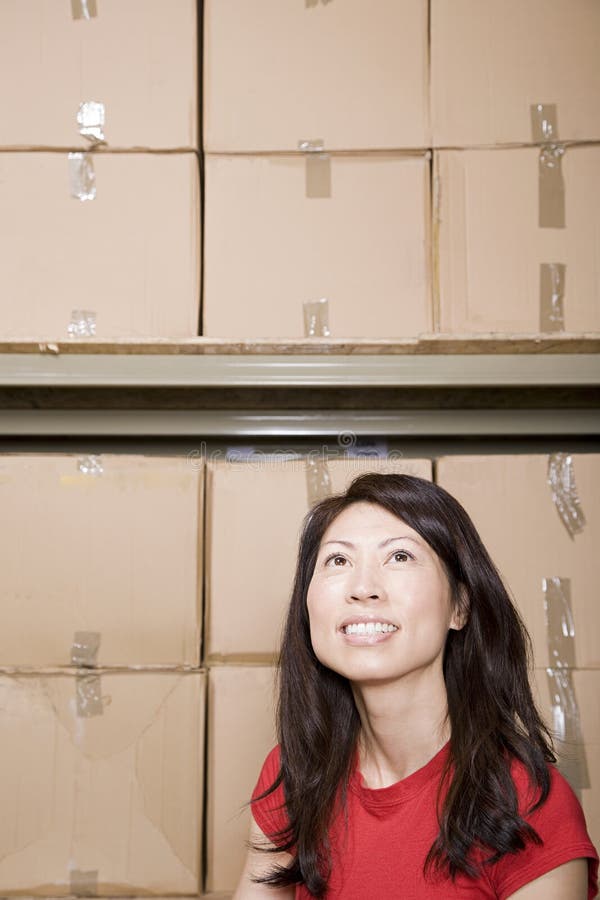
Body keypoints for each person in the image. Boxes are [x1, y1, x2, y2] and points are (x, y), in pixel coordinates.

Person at [234, 473, 598, 899]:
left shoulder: (529, 802)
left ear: (459, 607)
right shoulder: (294, 774)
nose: (363, 588)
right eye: (337, 561)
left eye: (400, 557)